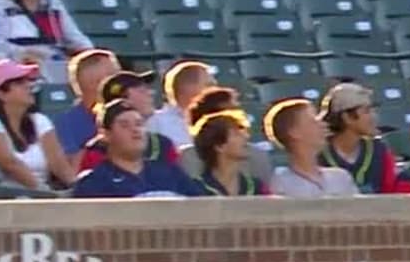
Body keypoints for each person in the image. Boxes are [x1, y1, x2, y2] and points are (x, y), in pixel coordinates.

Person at [0, 58, 74, 191]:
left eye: (28, 81)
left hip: (44, 197)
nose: (28, 86)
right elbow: (10, 164)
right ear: (0, 93)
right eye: (19, 82)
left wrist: (76, 187)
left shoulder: (40, 120)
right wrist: (44, 192)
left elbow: (58, 163)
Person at [72, 100, 204, 198]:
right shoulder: (94, 182)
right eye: (124, 125)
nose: (135, 130)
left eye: (139, 124)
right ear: (106, 134)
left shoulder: (170, 172)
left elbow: (200, 207)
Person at [317, 82, 403, 194]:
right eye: (366, 111)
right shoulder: (318, 154)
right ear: (347, 117)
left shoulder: (380, 152)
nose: (374, 117)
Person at [263, 97, 358, 197]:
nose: (323, 125)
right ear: (294, 132)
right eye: (314, 121)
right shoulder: (280, 183)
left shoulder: (341, 177)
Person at [189, 107, 268, 196]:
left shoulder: (257, 188)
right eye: (236, 134)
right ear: (219, 146)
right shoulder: (195, 189)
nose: (246, 137)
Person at [146, 60, 212, 148]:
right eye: (209, 85)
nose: (215, 90)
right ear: (189, 88)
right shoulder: (156, 123)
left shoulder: (216, 123)